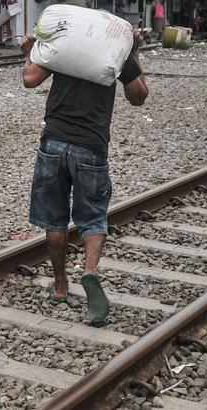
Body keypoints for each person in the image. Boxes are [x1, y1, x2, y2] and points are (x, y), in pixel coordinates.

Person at [20, 32, 149, 326]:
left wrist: (30, 51)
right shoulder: (116, 51)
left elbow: (29, 79)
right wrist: (135, 52)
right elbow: (139, 97)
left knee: (55, 220)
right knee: (92, 217)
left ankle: (61, 285)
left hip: (53, 143)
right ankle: (89, 270)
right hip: (91, 147)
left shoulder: (66, 44)